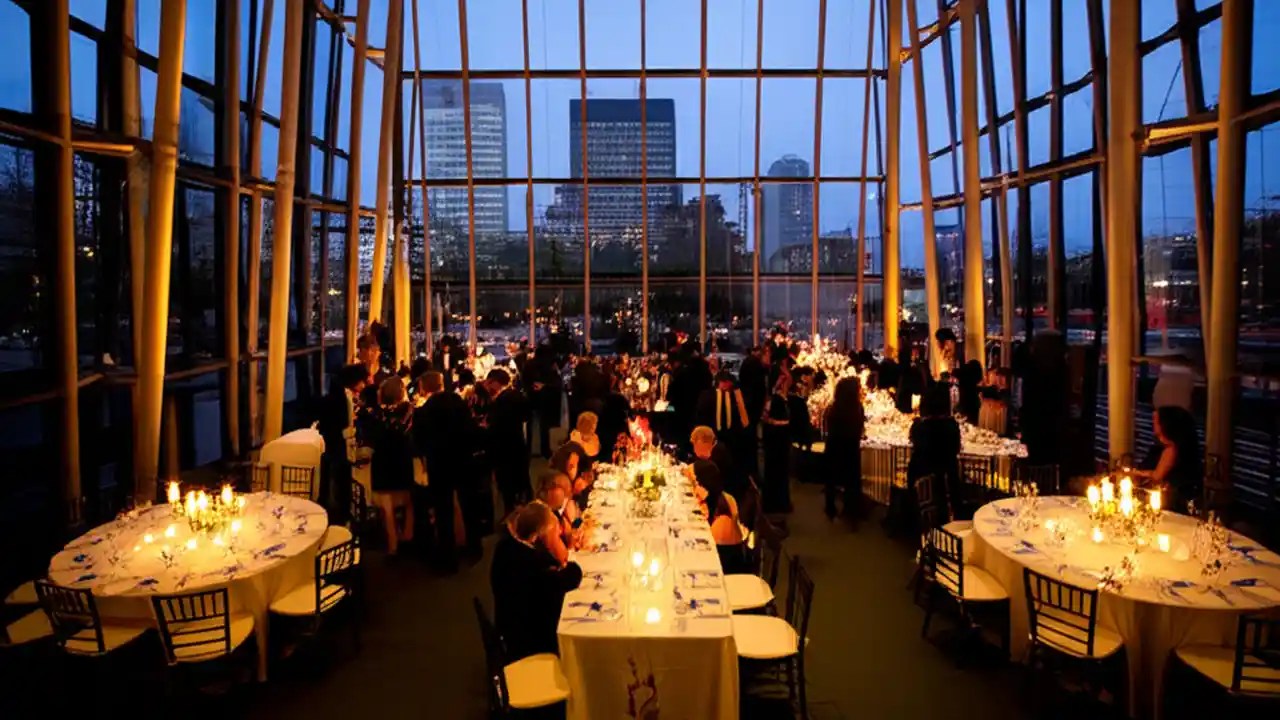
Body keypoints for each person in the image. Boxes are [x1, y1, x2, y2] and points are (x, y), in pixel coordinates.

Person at [489, 502, 583, 661]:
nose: (558, 535)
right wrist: (556, 546)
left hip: (509, 626)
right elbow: (573, 575)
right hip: (529, 642)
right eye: (553, 534)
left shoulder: (505, 546)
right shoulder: (534, 564)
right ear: (536, 537)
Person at [413, 371, 477, 570]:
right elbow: (470, 428)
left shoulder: (424, 411)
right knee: (468, 505)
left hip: (439, 463)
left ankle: (448, 557)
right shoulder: (458, 402)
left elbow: (419, 442)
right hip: (463, 458)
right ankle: (474, 546)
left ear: (424, 388)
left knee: (444, 511)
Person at [358, 377, 417, 555]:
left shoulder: (375, 415)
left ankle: (392, 544)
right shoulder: (410, 411)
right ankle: (408, 536)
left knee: (386, 505)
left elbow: (370, 439)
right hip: (404, 458)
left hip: (383, 460)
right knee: (408, 501)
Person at [318, 363, 367, 520]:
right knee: (340, 482)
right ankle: (342, 517)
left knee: (336, 482)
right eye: (362, 381)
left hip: (332, 445)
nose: (364, 385)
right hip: (339, 446)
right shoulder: (343, 397)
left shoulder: (335, 394)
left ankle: (337, 513)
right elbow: (344, 426)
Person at [907, 384, 964, 521]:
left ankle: (916, 514)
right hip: (948, 471)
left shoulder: (919, 426)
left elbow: (915, 445)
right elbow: (956, 449)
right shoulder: (951, 425)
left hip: (923, 471)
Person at [1138, 406, 1203, 512]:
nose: (1152, 422)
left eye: (1156, 420)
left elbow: (1157, 476)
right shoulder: (1161, 448)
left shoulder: (1172, 450)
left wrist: (1137, 473)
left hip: (1172, 503)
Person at [484, 368, 531, 513]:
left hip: (504, 449)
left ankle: (511, 517)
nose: (487, 387)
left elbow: (495, 427)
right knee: (522, 481)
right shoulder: (518, 396)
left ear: (496, 382)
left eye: (489, 383)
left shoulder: (500, 401)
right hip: (519, 445)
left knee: (507, 486)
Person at [691, 461, 749, 574]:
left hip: (727, 574)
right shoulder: (722, 498)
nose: (693, 489)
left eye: (694, 483)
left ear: (704, 484)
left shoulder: (722, 520)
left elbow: (712, 559)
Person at [824, 375, 866, 522]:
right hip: (851, 450)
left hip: (834, 448)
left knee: (831, 479)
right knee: (852, 481)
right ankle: (852, 510)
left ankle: (830, 508)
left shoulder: (833, 409)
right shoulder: (857, 409)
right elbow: (860, 430)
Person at [760, 372, 793, 513]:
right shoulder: (777, 401)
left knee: (775, 471)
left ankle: (773, 502)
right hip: (778, 440)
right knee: (778, 471)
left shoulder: (775, 400)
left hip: (775, 439)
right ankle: (777, 503)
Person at [524, 344, 564, 458]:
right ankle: (544, 450)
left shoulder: (529, 365)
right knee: (545, 426)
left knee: (532, 425)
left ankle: (531, 449)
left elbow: (525, 381)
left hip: (532, 398)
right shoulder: (550, 366)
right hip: (548, 400)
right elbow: (557, 383)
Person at [690, 425, 741, 498]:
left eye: (695, 445)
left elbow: (709, 488)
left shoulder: (717, 453)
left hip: (725, 498)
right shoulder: (715, 448)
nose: (695, 450)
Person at [356, 333, 391, 407]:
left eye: (360, 350)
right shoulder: (358, 373)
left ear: (371, 351)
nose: (358, 354)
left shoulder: (385, 378)